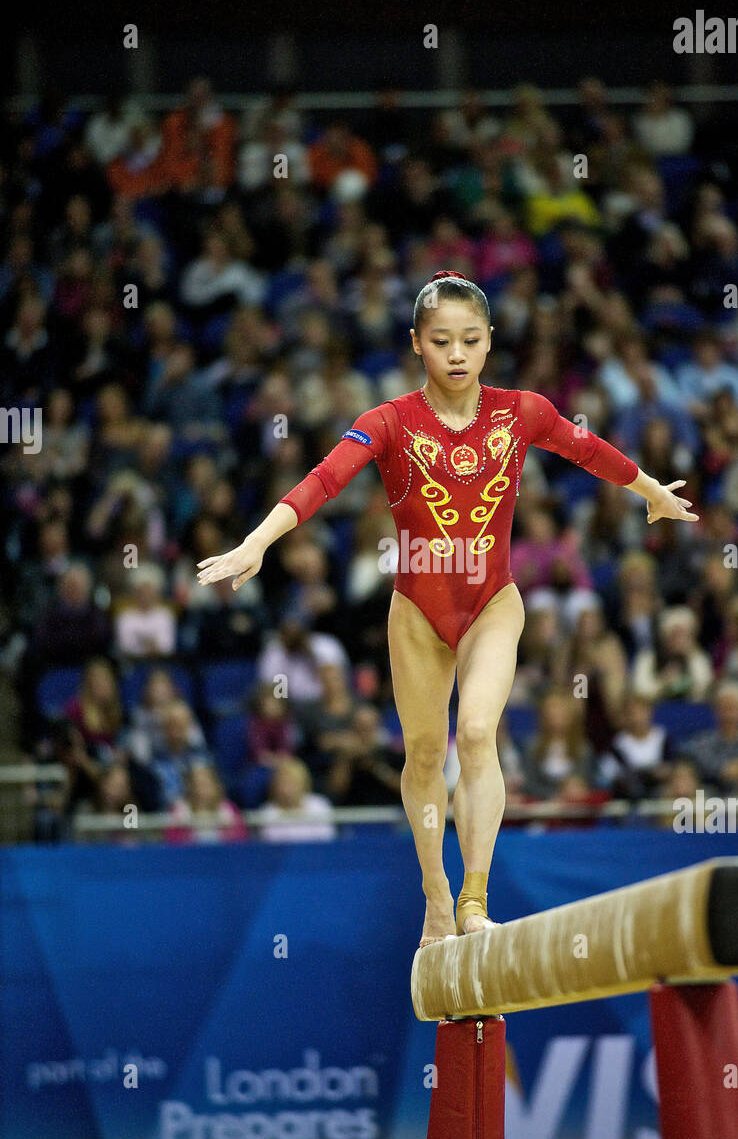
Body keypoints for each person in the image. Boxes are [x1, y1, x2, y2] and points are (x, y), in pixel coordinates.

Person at [197, 271, 698, 945]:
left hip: (493, 601)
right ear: (416, 344)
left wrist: (649, 490)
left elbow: (584, 449)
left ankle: (472, 898)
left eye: (469, 340)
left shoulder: (521, 412)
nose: (456, 354)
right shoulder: (390, 421)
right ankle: (434, 892)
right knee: (425, 756)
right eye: (440, 341)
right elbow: (324, 479)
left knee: (476, 735)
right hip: (417, 612)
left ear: (489, 343)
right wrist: (256, 543)